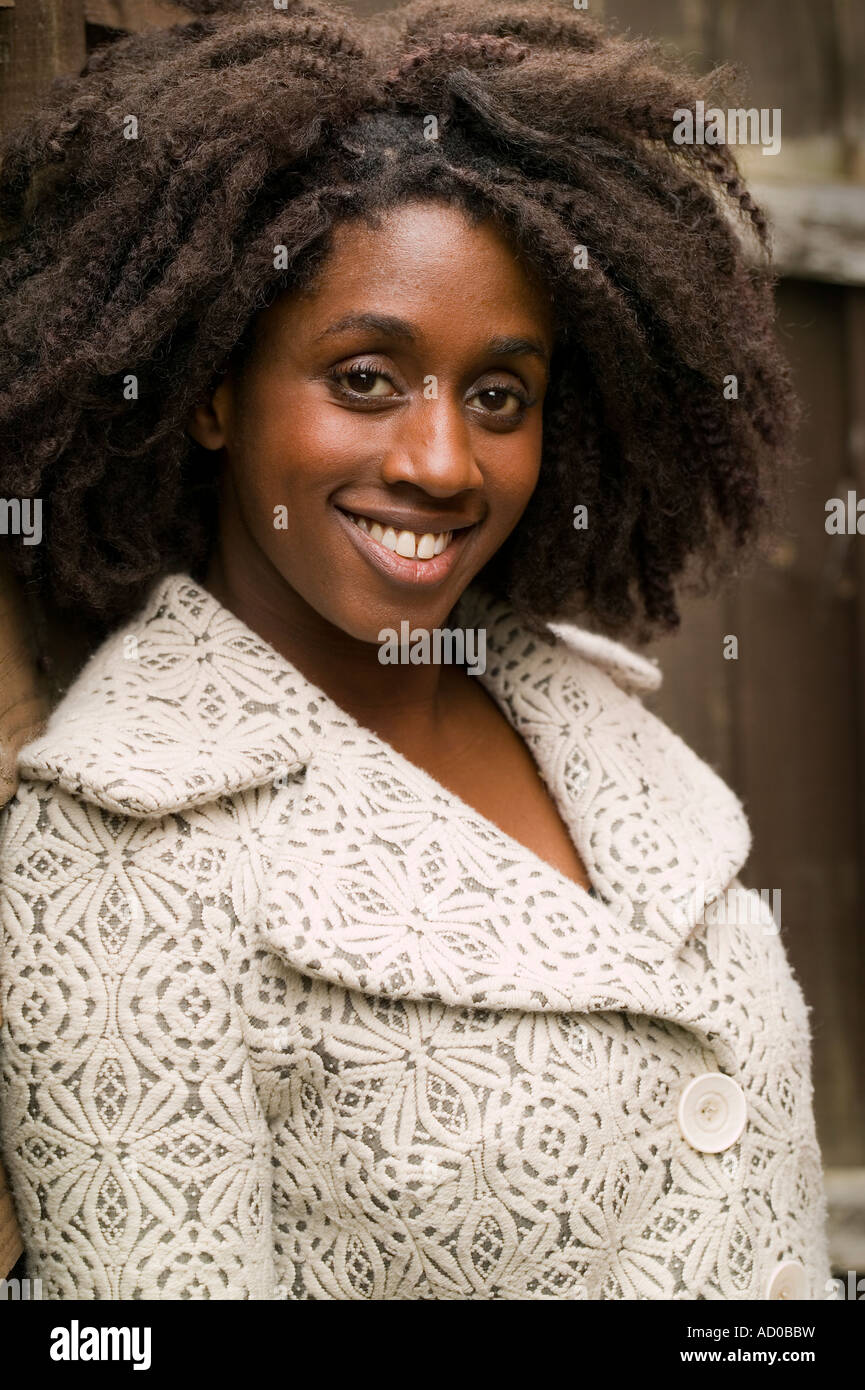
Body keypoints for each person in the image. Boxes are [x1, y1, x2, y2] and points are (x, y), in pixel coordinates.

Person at [0, 0, 830, 1299]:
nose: (442, 462)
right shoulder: (127, 846)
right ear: (214, 386)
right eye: (365, 379)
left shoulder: (586, 714)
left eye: (497, 395)